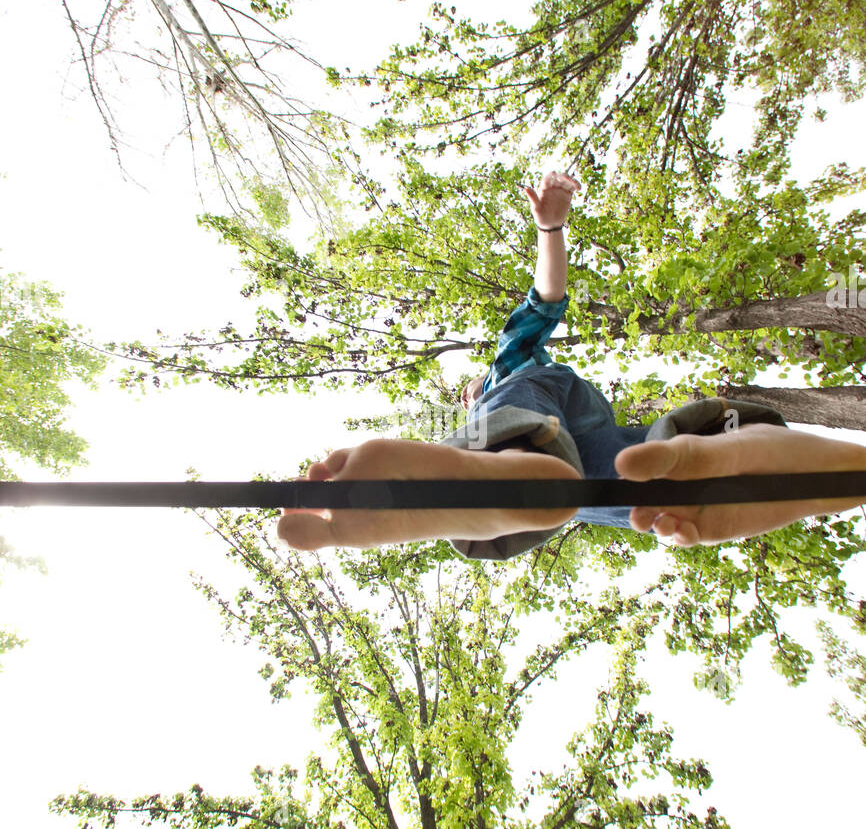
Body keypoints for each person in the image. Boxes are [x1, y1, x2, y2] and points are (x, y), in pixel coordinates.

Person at [278, 174, 866, 556]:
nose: (468, 397)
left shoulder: (506, 367)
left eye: (468, 396)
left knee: (513, 444)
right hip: (592, 449)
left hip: (544, 415)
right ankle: (722, 453)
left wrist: (549, 228)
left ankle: (488, 484)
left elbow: (547, 297)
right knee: (646, 479)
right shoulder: (490, 404)